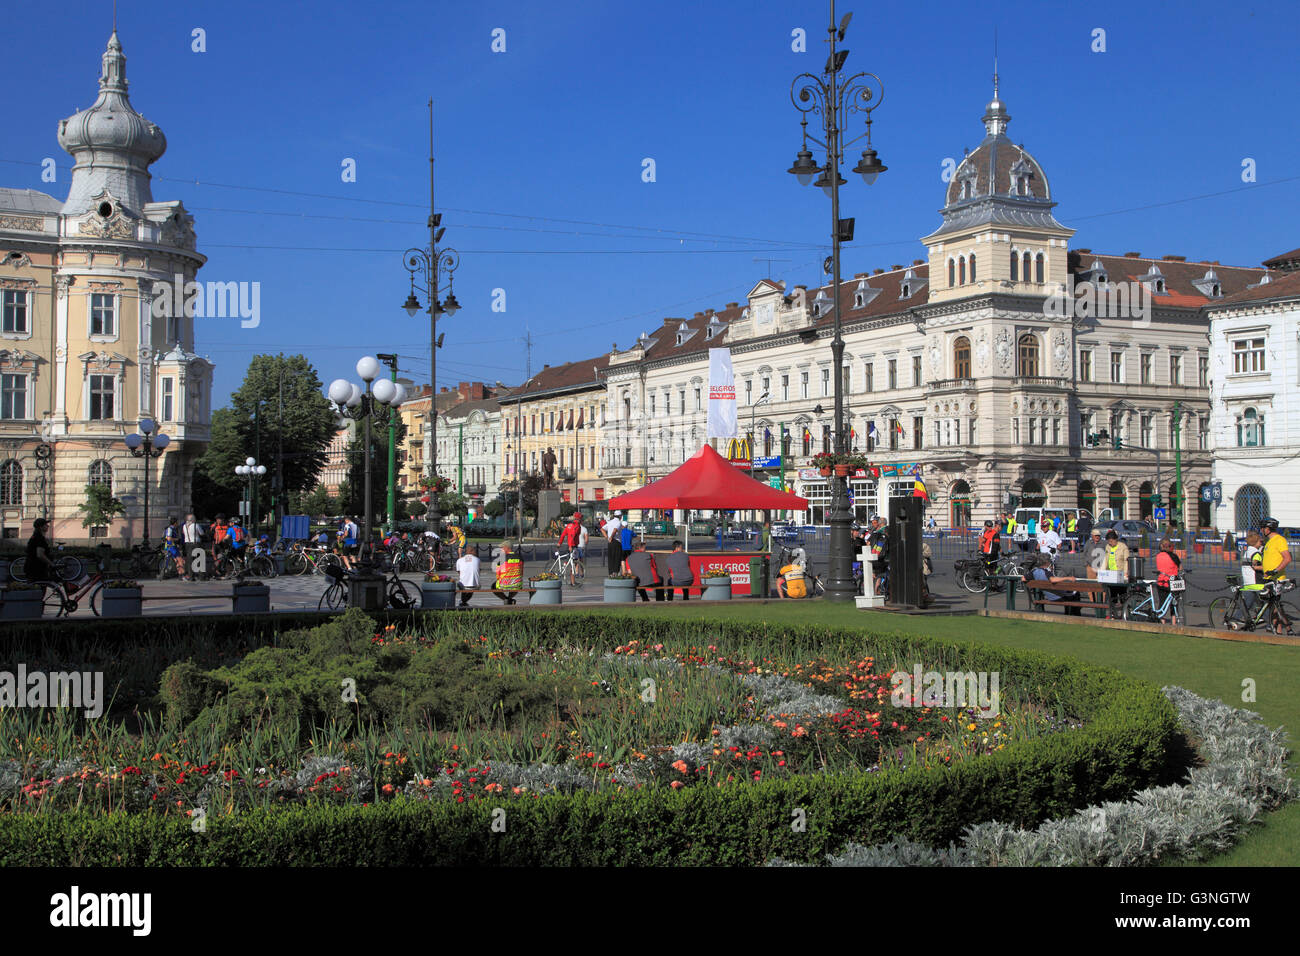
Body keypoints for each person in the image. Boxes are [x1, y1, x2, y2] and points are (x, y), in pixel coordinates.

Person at [1153, 538, 1183, 623]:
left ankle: (1162, 621)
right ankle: (1173, 622)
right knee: (1174, 603)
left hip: (1161, 581)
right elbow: (1180, 568)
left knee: (1162, 601)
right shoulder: (1173, 556)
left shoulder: (1158, 556)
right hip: (1172, 582)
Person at [491, 539, 523, 604]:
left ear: (506, 548)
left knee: (493, 587)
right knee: (515, 582)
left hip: (504, 584)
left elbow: (498, 575)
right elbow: (521, 572)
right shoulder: (520, 557)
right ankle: (510, 598)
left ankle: (506, 599)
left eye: (502, 548)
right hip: (517, 584)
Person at [25, 517, 54, 583]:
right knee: (39, 589)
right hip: (37, 569)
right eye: (46, 525)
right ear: (41, 527)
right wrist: (51, 564)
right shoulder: (39, 538)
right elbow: (40, 555)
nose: (48, 526)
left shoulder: (36, 536)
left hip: (32, 567)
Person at [556, 513, 581, 584]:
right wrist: (570, 546)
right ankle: (572, 582)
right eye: (580, 518)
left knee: (571, 562)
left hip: (570, 546)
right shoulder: (577, 526)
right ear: (578, 519)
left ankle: (565, 565)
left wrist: (559, 543)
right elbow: (573, 536)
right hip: (573, 546)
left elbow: (563, 534)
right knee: (574, 563)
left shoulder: (569, 525)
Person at [978, 519, 1002, 588]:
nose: (990, 528)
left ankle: (993, 583)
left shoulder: (993, 533)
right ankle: (991, 584)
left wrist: (1001, 552)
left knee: (994, 569)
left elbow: (997, 544)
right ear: (998, 526)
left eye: (991, 526)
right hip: (989, 553)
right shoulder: (990, 532)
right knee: (991, 569)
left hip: (992, 553)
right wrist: (980, 548)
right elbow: (982, 541)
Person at [181, 512, 203, 581]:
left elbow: (184, 533)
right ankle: (201, 576)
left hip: (187, 544)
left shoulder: (184, 526)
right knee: (199, 559)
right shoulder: (196, 525)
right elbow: (202, 533)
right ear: (193, 519)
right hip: (196, 543)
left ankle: (191, 576)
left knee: (190, 560)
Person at [605, 511, 624, 575]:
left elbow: (602, 529)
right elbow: (615, 530)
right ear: (620, 516)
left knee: (610, 558)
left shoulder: (610, 522)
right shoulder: (618, 522)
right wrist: (611, 537)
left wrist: (607, 537)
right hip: (616, 542)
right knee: (617, 558)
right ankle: (615, 573)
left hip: (610, 543)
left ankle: (610, 573)